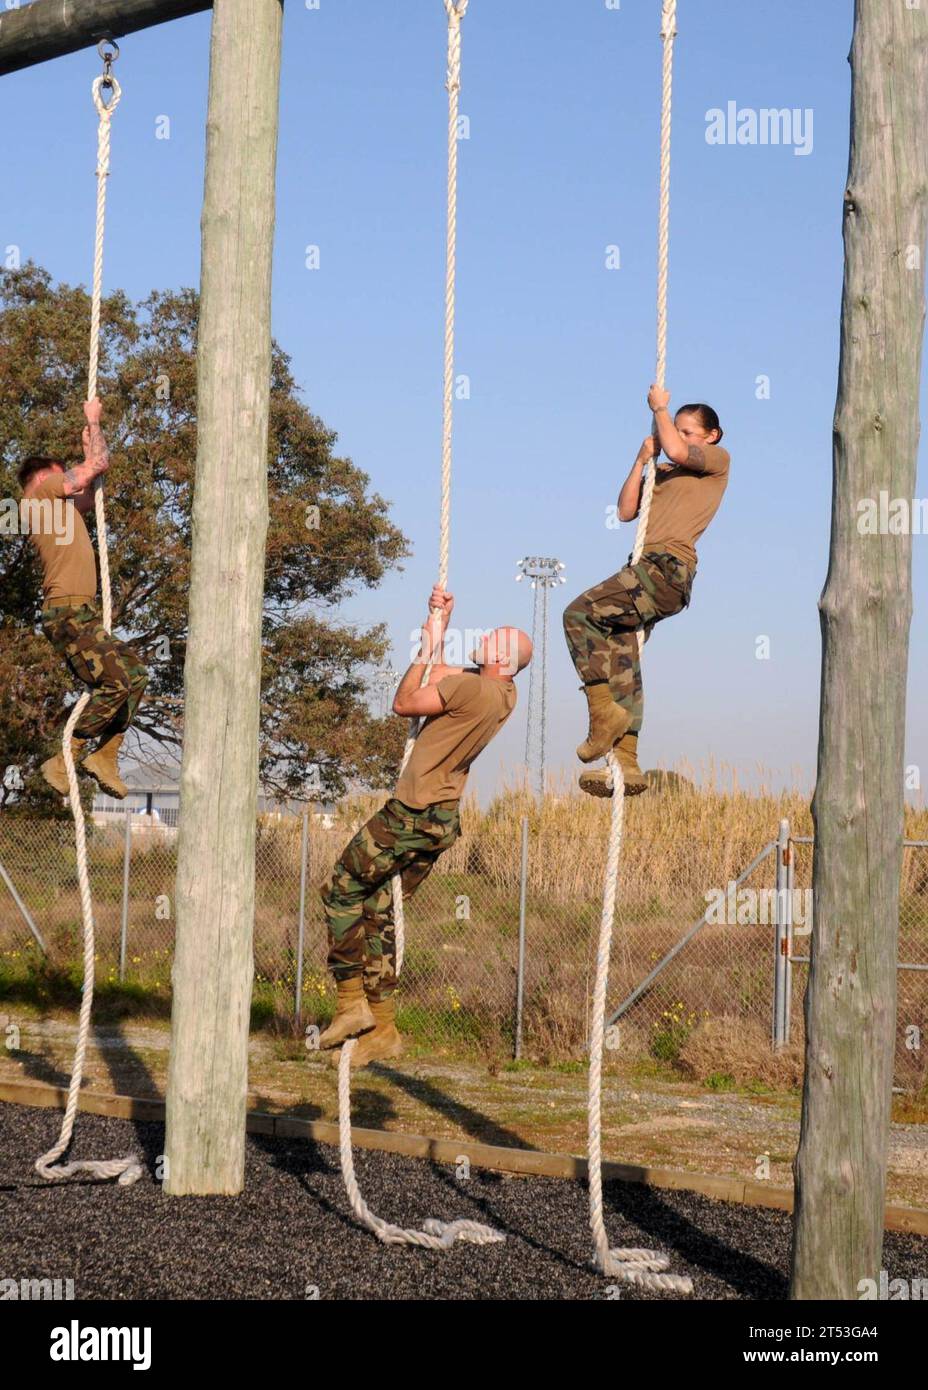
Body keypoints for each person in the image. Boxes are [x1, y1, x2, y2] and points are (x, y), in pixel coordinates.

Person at [319, 586, 532, 1068]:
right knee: (377, 910)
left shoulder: (471, 688)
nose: (484, 637)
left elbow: (405, 701)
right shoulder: (503, 693)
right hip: (442, 819)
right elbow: (441, 672)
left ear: (501, 657)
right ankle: (385, 1028)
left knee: (339, 890)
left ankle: (351, 1003)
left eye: (492, 637)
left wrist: (432, 641)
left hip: (411, 812)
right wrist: (437, 625)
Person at [563, 384, 729, 797]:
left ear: (711, 436)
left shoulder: (715, 462)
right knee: (621, 654)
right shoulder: (665, 473)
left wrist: (661, 410)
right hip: (646, 569)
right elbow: (624, 511)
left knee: (578, 613)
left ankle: (601, 710)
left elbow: (675, 449)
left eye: (689, 431)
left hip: (666, 570)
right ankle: (627, 759)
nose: (683, 436)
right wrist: (640, 462)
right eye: (680, 430)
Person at [18, 398, 148, 800]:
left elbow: (93, 479)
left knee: (136, 676)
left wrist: (95, 434)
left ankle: (104, 756)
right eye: (60, 475)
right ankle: (66, 757)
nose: (67, 480)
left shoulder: (61, 508)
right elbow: (87, 473)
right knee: (117, 681)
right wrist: (92, 420)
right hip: (67, 612)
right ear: (44, 479)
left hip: (82, 612)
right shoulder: (37, 500)